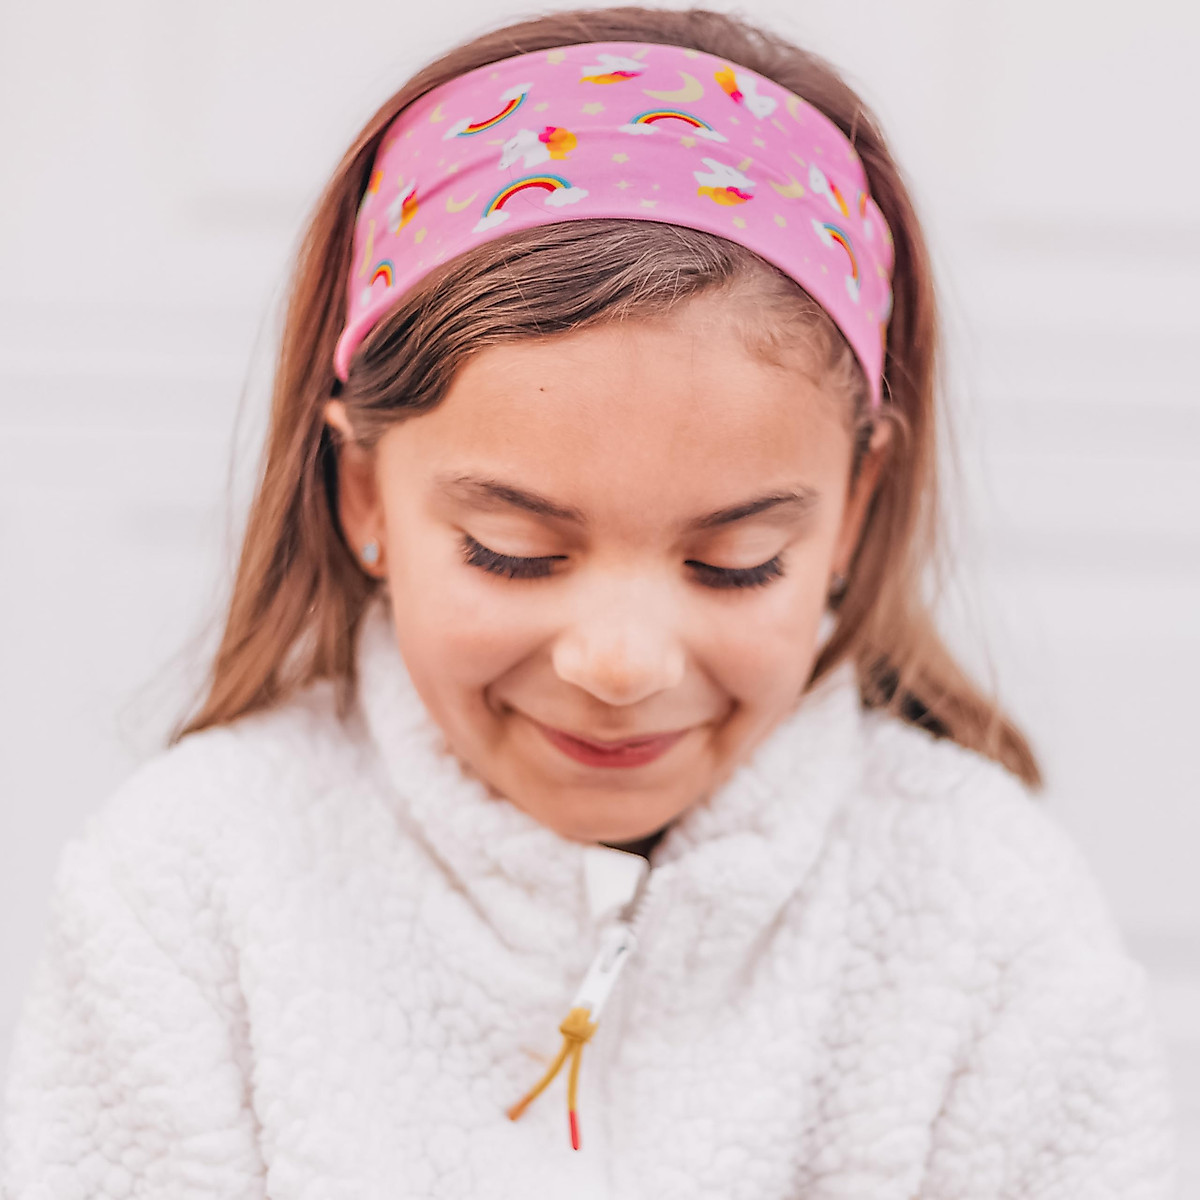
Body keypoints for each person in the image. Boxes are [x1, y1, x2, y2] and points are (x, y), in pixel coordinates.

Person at [0, 7, 1177, 1197]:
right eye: (512, 552)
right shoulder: (192, 889)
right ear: (362, 491)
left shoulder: (986, 911)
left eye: (736, 561)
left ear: (854, 510)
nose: (620, 664)